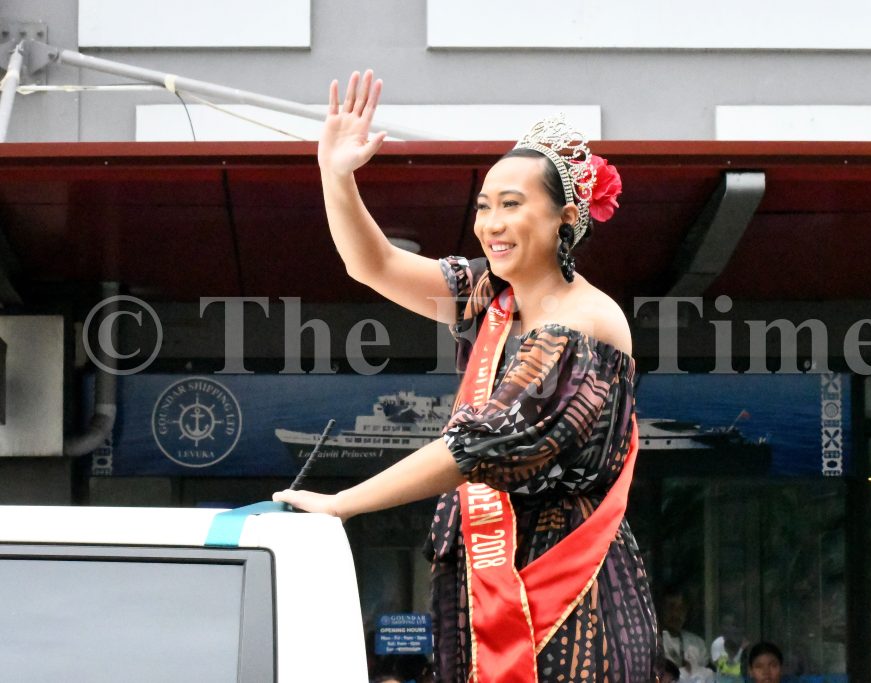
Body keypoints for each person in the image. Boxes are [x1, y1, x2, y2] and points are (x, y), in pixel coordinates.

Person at [273, 71, 658, 682]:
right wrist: (335, 174)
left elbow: (477, 445)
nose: (492, 222)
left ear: (565, 217)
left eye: (512, 204)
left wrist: (342, 505)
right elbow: (371, 263)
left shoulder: (585, 321)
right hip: (480, 579)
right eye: (484, 206)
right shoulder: (490, 293)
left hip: (565, 584)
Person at [661, 591, 710, 669]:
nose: (676, 614)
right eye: (671, 607)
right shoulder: (652, 643)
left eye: (681, 608)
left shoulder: (697, 643)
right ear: (661, 610)